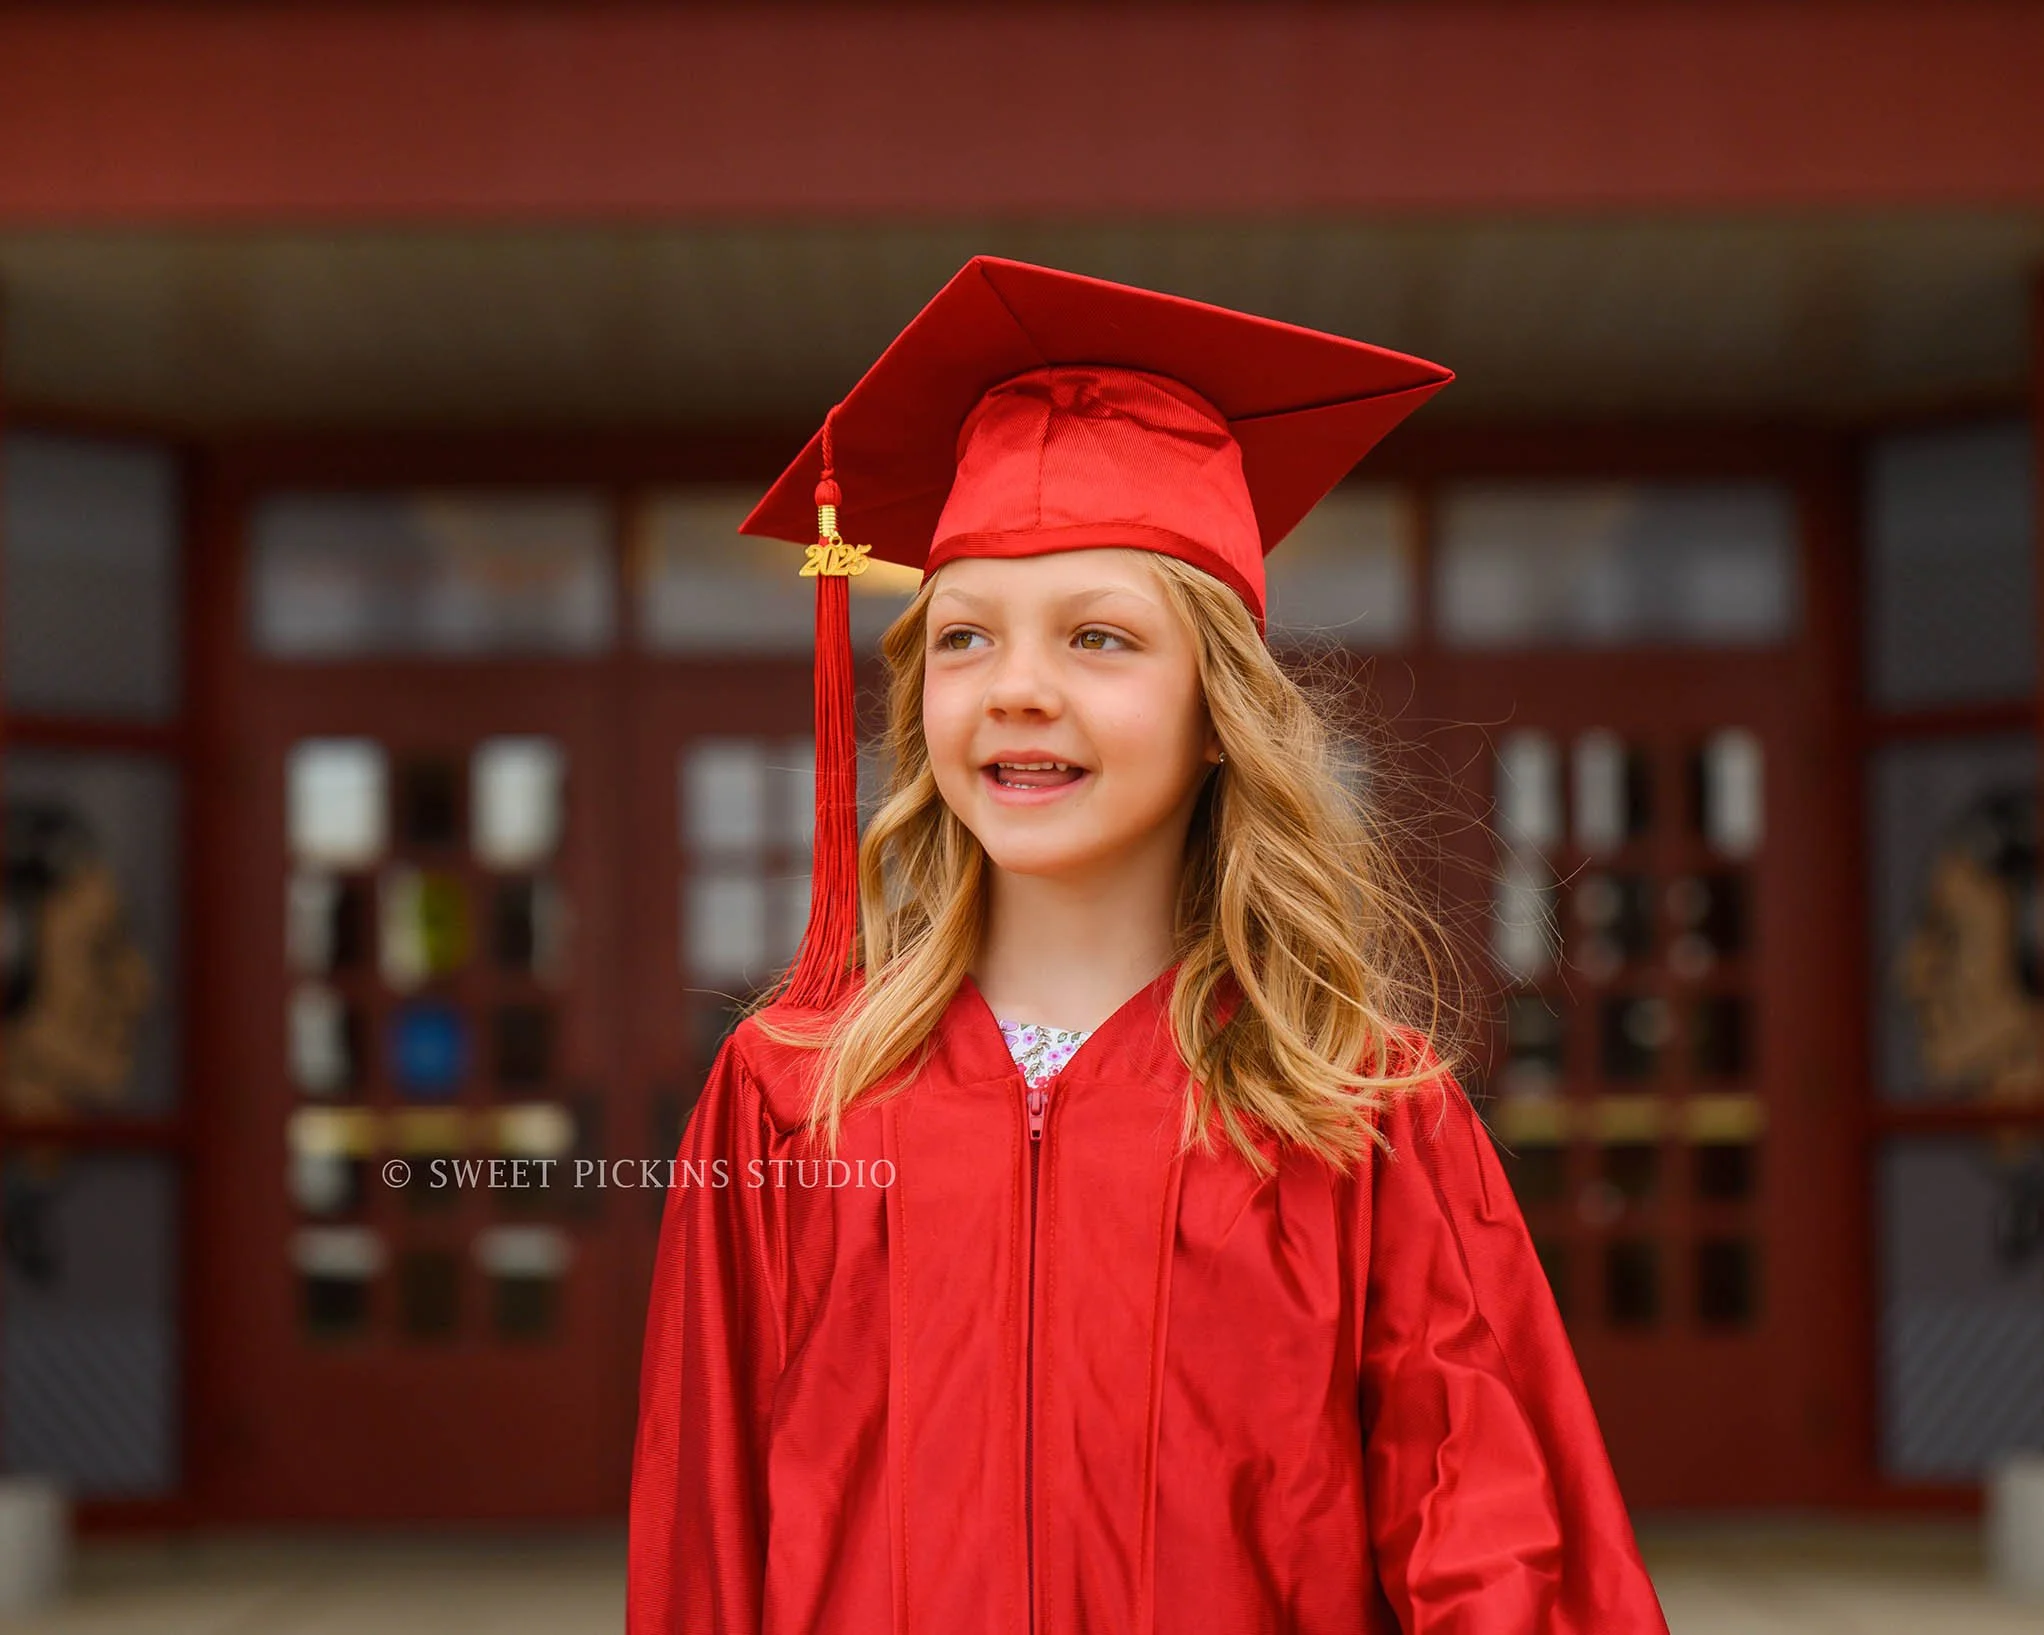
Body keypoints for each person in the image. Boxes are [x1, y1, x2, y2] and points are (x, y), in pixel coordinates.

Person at [627, 256, 1670, 1633]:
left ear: (1217, 705)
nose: (1017, 691)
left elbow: (1498, 1553)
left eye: (1100, 636)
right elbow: (708, 1544)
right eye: (964, 638)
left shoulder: (1358, 1112)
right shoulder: (788, 1098)